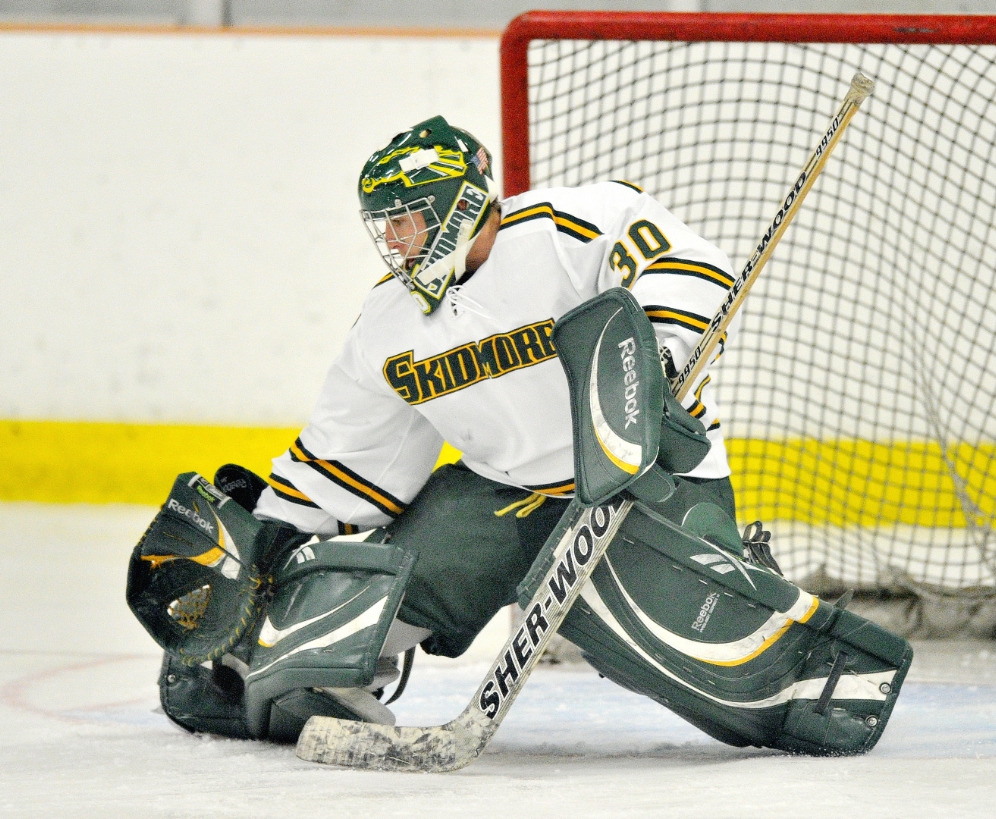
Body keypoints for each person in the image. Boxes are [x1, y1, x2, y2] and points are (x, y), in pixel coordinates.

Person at [131, 115, 910, 754]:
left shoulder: (573, 227)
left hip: (649, 478)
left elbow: (689, 268)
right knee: (358, 599)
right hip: (504, 496)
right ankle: (314, 674)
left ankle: (744, 585)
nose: (396, 242)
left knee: (716, 671)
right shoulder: (387, 326)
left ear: (461, 203)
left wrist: (662, 359)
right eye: (385, 227)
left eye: (408, 219)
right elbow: (347, 458)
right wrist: (270, 536)